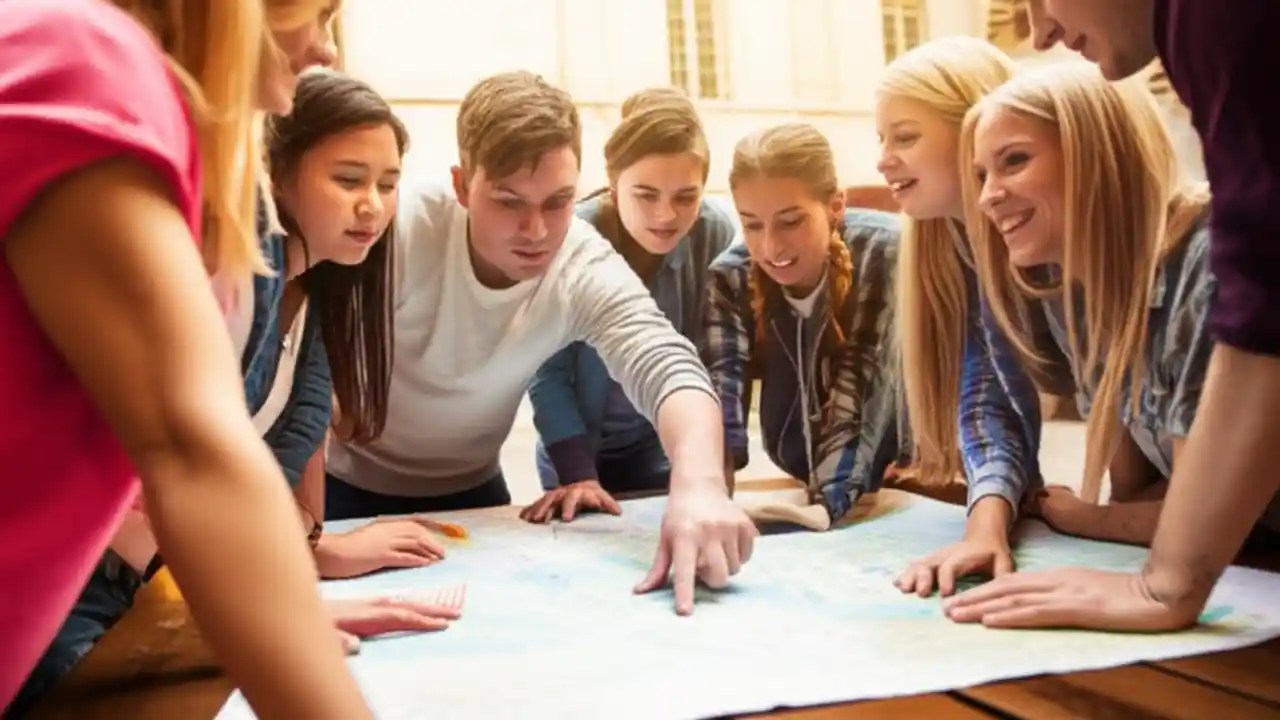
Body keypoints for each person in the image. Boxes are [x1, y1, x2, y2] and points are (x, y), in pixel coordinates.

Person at [0, 0, 371, 716]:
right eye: (316, 14)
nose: (326, 50)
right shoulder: (87, 56)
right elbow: (192, 451)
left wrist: (276, 614)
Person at [324, 71, 756, 616]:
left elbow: (668, 365)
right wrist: (313, 538)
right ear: (461, 186)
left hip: (474, 495)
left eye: (557, 202)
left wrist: (699, 484)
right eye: (509, 203)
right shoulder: (399, 229)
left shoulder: (581, 259)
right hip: (343, 493)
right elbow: (300, 370)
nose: (537, 231)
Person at [944, 0, 1280, 633]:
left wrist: (1089, 523)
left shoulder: (1201, 263)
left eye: (1014, 161)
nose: (988, 196)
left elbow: (1207, 510)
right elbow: (1144, 490)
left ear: (1098, 153)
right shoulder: (1077, 299)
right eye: (981, 173)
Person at [873, 37, 1064, 598]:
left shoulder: (1052, 244)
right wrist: (986, 524)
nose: (883, 159)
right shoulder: (959, 250)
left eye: (905, 137)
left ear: (975, 128)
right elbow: (988, 401)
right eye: (881, 139)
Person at [522, 87, 739, 524]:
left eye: (685, 197)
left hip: (656, 447)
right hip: (574, 446)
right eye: (645, 194)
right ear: (612, 179)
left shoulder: (713, 234)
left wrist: (714, 474)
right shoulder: (566, 238)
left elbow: (716, 360)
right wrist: (578, 474)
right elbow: (546, 372)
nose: (666, 215)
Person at [703, 123, 902, 533]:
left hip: (900, 480)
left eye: (790, 222)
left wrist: (829, 503)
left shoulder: (886, 251)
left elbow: (860, 378)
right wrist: (709, 498)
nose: (771, 248)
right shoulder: (729, 277)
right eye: (752, 225)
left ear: (835, 206)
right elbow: (722, 396)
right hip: (802, 480)